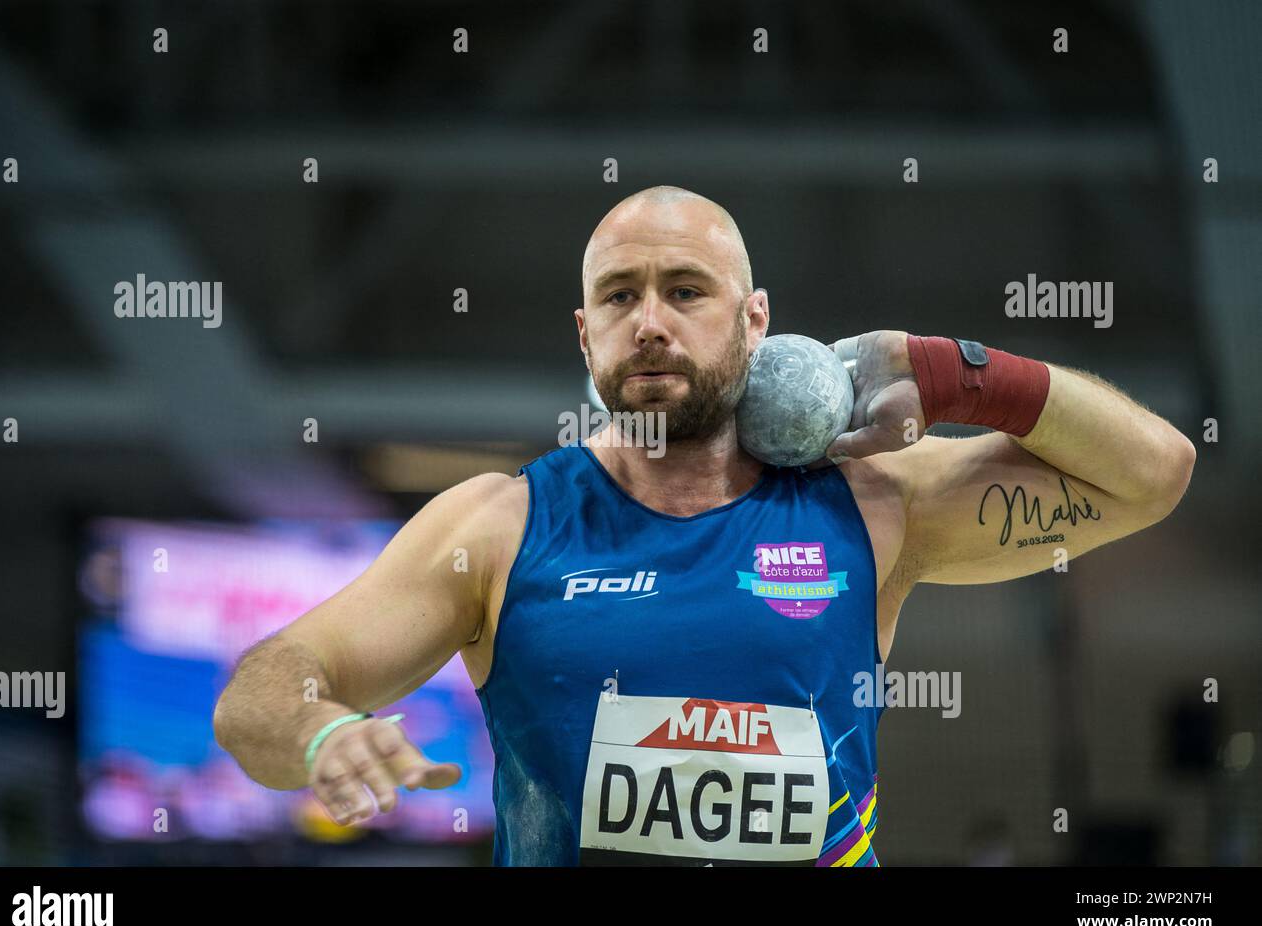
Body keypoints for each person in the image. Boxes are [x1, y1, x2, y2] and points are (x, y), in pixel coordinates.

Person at [213, 185, 1196, 866]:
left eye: (685, 290)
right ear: (583, 332)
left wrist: (947, 369)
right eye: (619, 296)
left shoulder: (869, 503)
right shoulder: (501, 526)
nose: (650, 319)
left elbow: (1152, 473)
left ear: (756, 319)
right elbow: (261, 687)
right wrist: (318, 730)